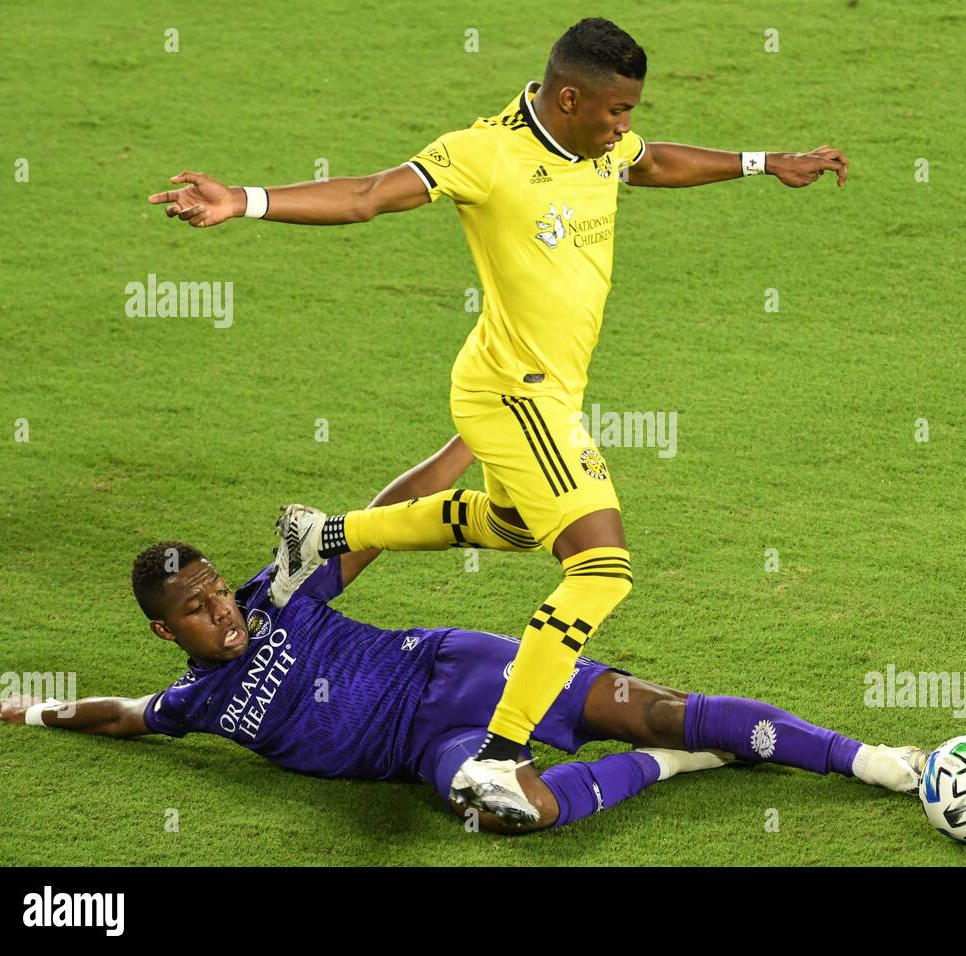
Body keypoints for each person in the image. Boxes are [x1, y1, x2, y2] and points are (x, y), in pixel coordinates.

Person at [146, 17, 851, 824]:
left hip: (550, 389)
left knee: (516, 527)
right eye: (616, 110)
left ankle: (333, 535)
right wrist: (246, 201)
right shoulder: (484, 153)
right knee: (602, 567)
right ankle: (505, 747)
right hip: (512, 392)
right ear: (569, 96)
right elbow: (371, 196)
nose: (626, 128)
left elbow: (650, 161)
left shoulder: (601, 144)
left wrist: (764, 164)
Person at [0, 439, 924, 835]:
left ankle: (872, 758)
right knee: (511, 814)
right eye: (195, 610)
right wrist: (35, 713)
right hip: (431, 749)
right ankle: (665, 771)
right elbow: (123, 715)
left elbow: (380, 518)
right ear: (166, 629)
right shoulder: (196, 701)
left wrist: (464, 442)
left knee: (672, 710)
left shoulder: (281, 594)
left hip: (464, 668)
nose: (220, 611)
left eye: (216, 591)